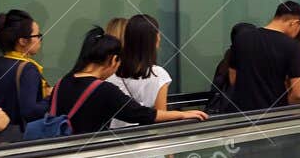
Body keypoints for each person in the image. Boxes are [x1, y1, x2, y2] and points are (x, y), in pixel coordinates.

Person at [105, 14, 209, 158]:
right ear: (152, 40)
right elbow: (161, 120)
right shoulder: (158, 75)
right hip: (149, 157)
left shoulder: (111, 77)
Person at [53, 26, 206, 135]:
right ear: (113, 60)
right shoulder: (104, 90)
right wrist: (181, 115)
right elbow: (140, 114)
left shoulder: (62, 83)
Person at [227, 1, 300, 111]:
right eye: (299, 28)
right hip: (273, 115)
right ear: (295, 23)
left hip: (241, 113)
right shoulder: (292, 45)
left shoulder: (242, 38)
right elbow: (297, 93)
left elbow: (233, 78)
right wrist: (284, 110)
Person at [0, 8, 50, 129]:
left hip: (3, 131)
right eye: (38, 35)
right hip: (23, 135)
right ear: (23, 41)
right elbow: (30, 111)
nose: (40, 39)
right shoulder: (28, 69)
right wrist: (51, 97)